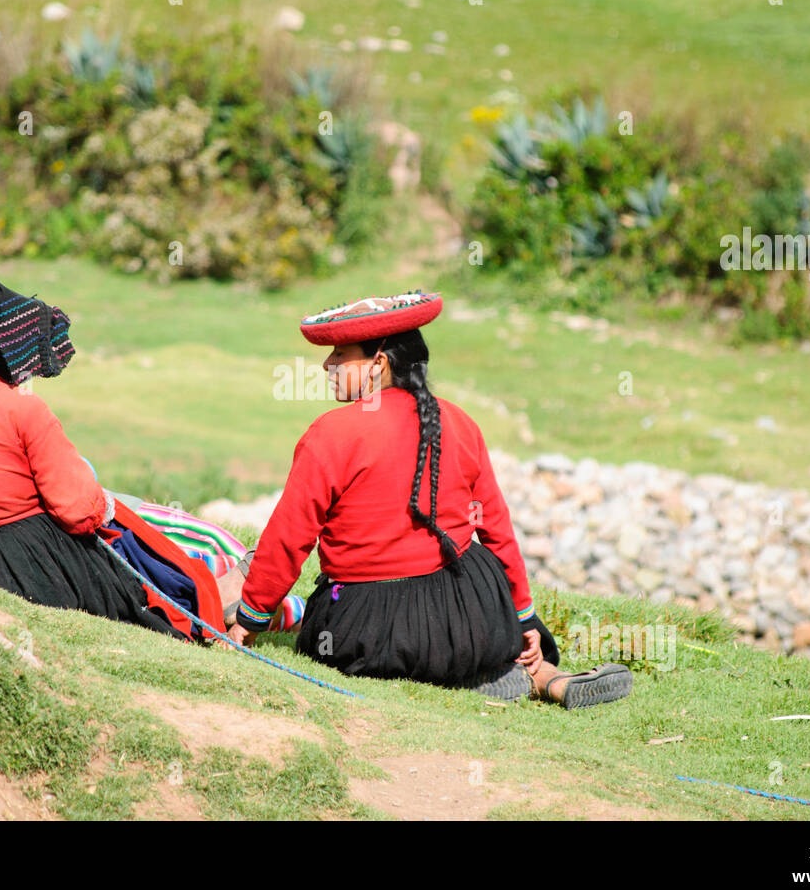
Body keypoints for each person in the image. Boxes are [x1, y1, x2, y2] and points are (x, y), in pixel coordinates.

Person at [229, 292, 633, 708]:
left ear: (378, 364)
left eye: (340, 354)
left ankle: (463, 673)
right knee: (470, 560)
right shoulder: (459, 422)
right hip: (469, 617)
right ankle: (535, 673)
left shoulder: (331, 434)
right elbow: (496, 530)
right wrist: (523, 617)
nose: (327, 366)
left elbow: (288, 537)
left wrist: (251, 618)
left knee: (334, 627)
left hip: (366, 633)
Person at [0, 266, 236, 640]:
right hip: (15, 565)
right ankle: (226, 596)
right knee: (147, 579)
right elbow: (80, 510)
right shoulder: (21, 408)